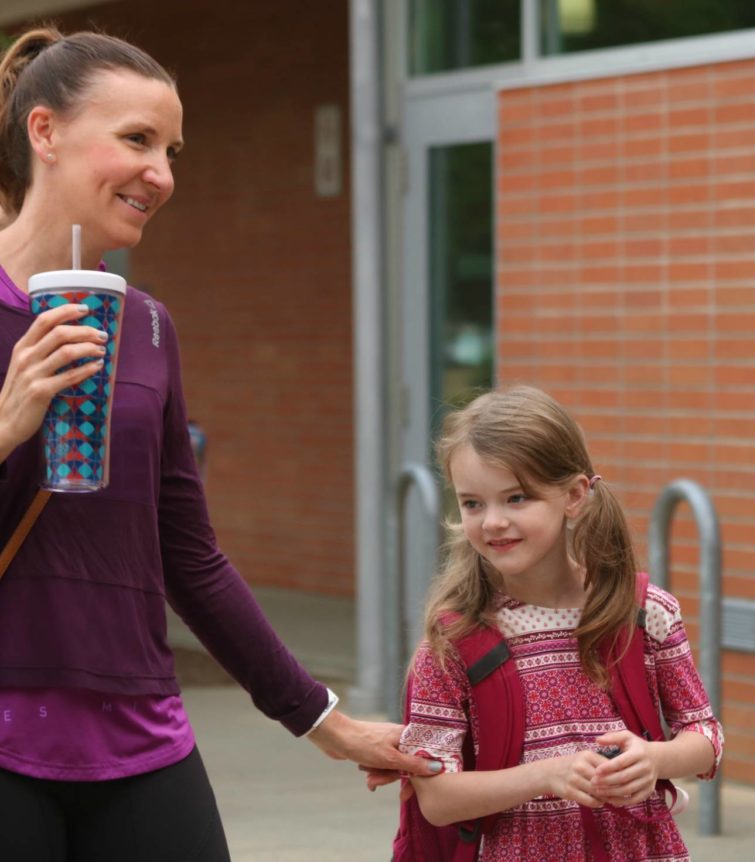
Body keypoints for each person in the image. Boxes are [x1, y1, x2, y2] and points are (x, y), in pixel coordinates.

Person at [0, 27, 438, 861]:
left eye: (171, 150)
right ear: (45, 132)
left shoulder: (150, 328)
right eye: (136, 140)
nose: (161, 174)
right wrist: (8, 423)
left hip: (143, 732)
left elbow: (189, 556)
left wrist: (325, 722)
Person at [383, 386, 722, 860]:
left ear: (574, 495)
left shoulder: (646, 612)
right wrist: (547, 775)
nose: (493, 521)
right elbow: (438, 800)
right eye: (473, 503)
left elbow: (705, 737)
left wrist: (654, 759)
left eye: (517, 498)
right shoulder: (453, 640)